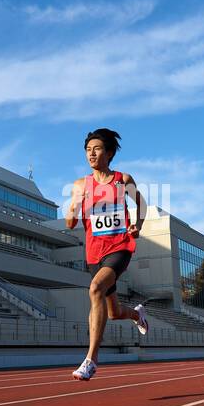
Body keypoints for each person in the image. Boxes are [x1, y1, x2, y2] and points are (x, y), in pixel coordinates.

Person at [64, 128, 148, 380]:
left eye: (97, 148)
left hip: (120, 247)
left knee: (95, 289)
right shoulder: (80, 184)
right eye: (88, 150)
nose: (91, 153)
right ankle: (136, 314)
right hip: (94, 253)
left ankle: (91, 360)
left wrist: (137, 226)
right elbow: (69, 223)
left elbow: (141, 203)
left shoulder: (122, 180)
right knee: (113, 312)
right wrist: (77, 203)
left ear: (109, 153)